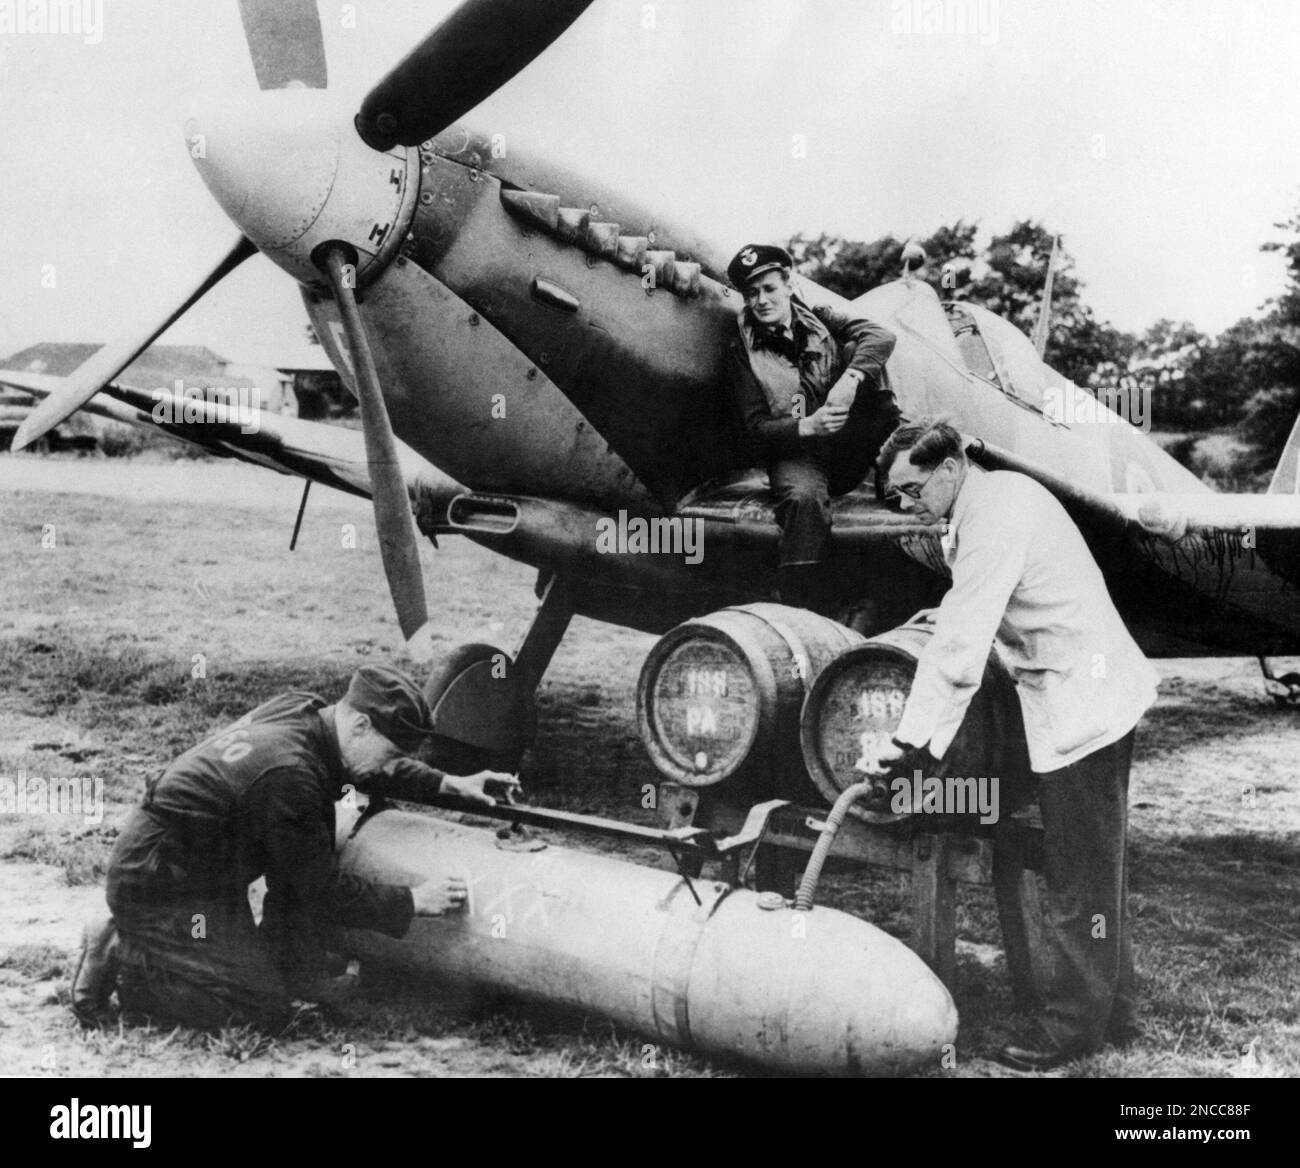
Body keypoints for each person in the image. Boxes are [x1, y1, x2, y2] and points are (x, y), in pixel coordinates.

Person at [865, 419, 1160, 1071]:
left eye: (913, 489)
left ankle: (1071, 1030)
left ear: (949, 469)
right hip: (1074, 690)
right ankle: (1115, 1013)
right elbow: (974, 605)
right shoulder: (986, 501)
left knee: (1078, 873)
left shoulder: (995, 515)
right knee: (1094, 865)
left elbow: (960, 650)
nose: (908, 506)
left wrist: (912, 744)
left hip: (1085, 700)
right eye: (898, 496)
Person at [70, 665, 517, 1031]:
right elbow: (319, 890)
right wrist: (413, 900)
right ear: (361, 724)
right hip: (163, 889)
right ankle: (124, 956)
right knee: (257, 1007)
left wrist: (447, 783)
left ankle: (218, 958)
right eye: (390, 754)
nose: (389, 767)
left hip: (199, 874)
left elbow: (370, 768)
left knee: (280, 976)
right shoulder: (291, 777)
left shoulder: (307, 713)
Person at [725, 243, 899, 611]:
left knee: (865, 355)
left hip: (848, 446)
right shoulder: (741, 350)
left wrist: (849, 380)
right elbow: (752, 430)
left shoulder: (821, 318)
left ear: (788, 284)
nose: (761, 301)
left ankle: (891, 469)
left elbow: (882, 337)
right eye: (752, 293)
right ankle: (800, 606)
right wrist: (807, 427)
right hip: (798, 455)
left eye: (769, 288)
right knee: (802, 501)